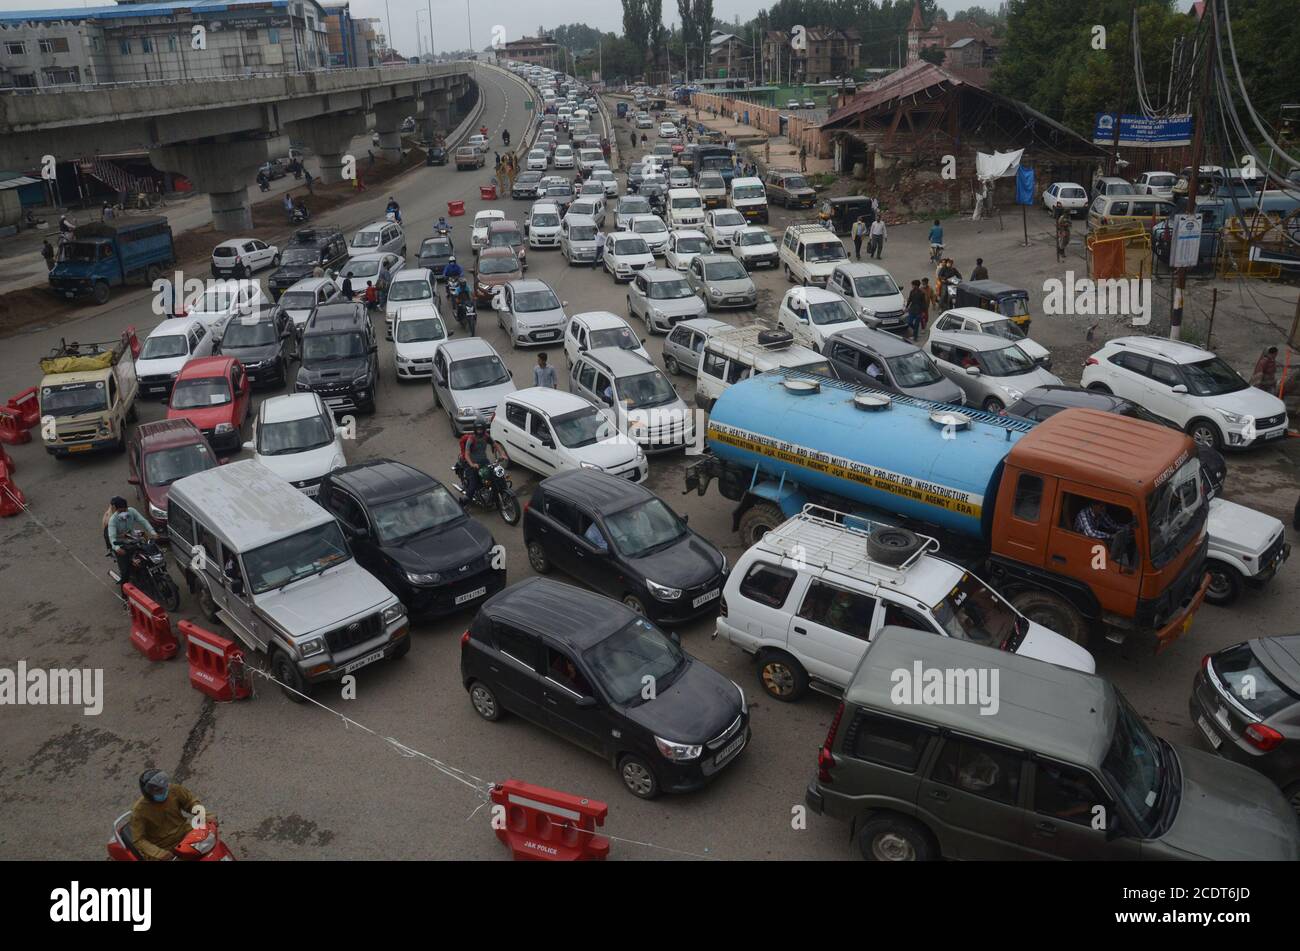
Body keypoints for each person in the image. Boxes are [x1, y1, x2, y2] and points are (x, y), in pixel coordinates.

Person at [130, 769, 213, 861]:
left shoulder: (174, 790)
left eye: (164, 787)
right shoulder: (139, 811)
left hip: (185, 833)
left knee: (209, 846)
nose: (163, 791)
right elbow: (139, 840)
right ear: (147, 792)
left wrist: (205, 815)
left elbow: (190, 802)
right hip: (163, 847)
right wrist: (159, 853)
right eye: (157, 790)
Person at [107, 496, 156, 596]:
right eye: (121, 511)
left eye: (125, 509)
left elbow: (143, 521)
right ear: (116, 510)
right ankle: (125, 598)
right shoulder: (113, 520)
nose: (124, 512)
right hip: (121, 544)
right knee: (125, 573)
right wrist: (117, 548)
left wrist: (152, 532)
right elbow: (112, 537)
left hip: (132, 538)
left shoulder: (132, 511)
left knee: (148, 554)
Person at [458, 420, 500, 501]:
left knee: (493, 475)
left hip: (484, 461)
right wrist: (472, 464)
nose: (479, 431)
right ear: (475, 429)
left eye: (481, 429)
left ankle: (491, 492)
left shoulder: (486, 436)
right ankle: (463, 501)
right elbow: (466, 454)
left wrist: (502, 454)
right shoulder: (471, 439)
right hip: (471, 463)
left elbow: (495, 444)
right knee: (473, 483)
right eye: (478, 429)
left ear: (484, 429)